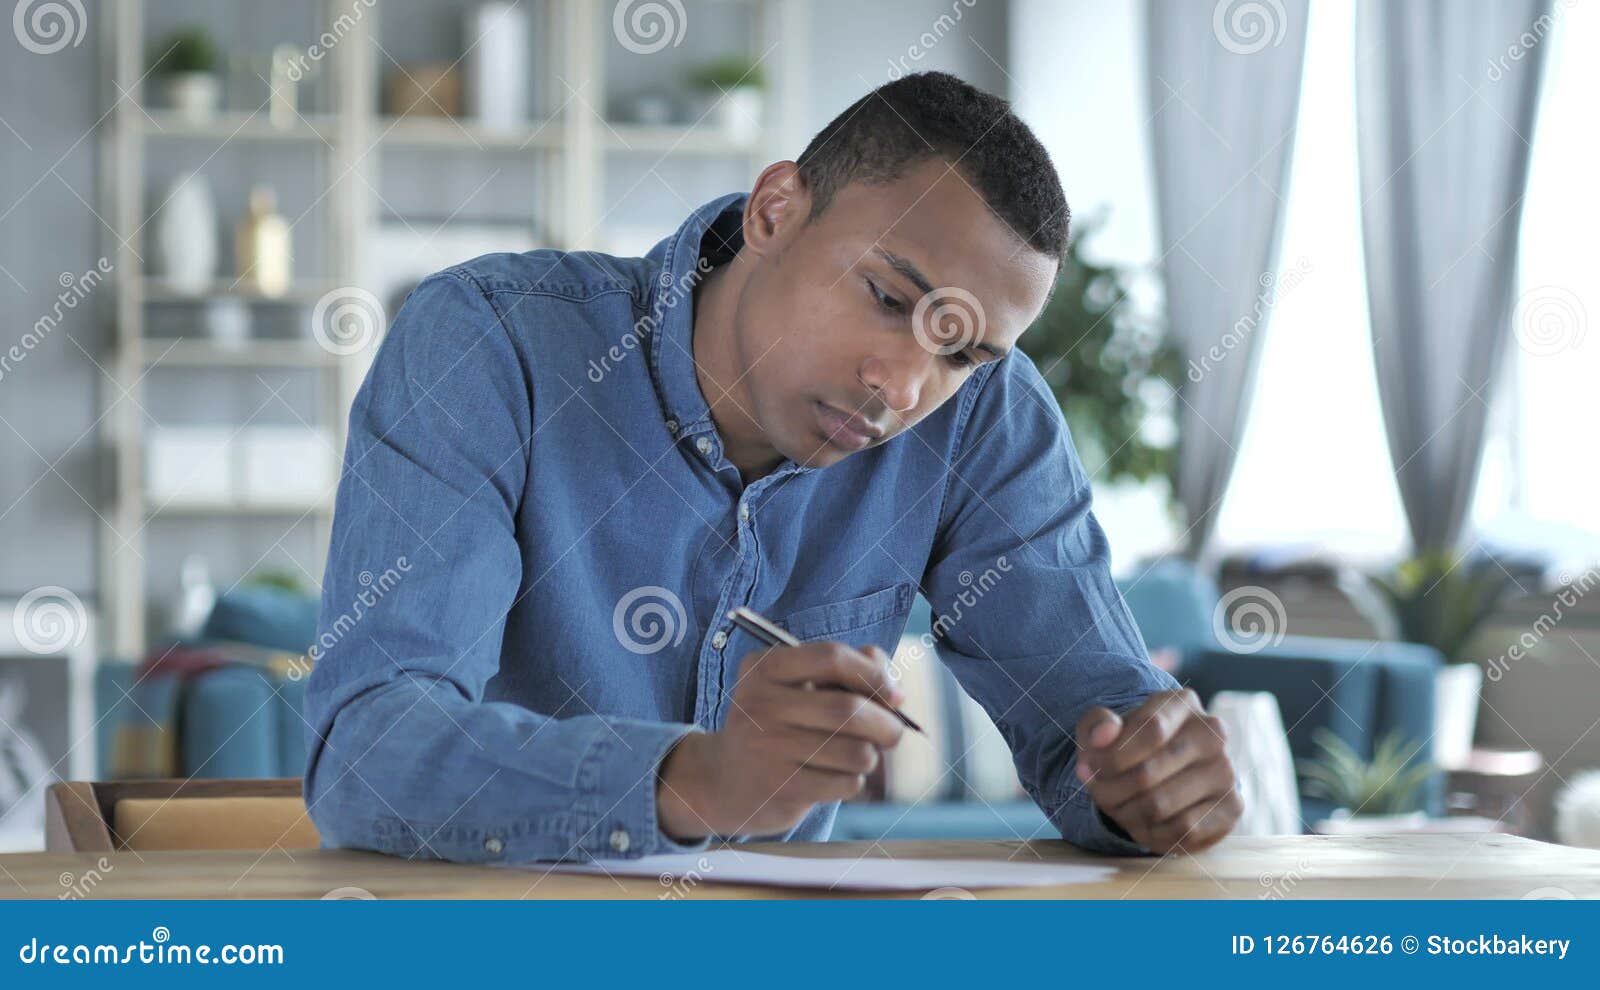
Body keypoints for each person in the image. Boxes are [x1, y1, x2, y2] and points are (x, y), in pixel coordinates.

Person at [303, 71, 1241, 863]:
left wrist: (1149, 783)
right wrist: (692, 782)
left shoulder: (985, 417)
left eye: (961, 354)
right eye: (885, 297)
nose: (902, 386)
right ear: (774, 210)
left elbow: (1099, 720)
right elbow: (371, 749)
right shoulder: (490, 344)